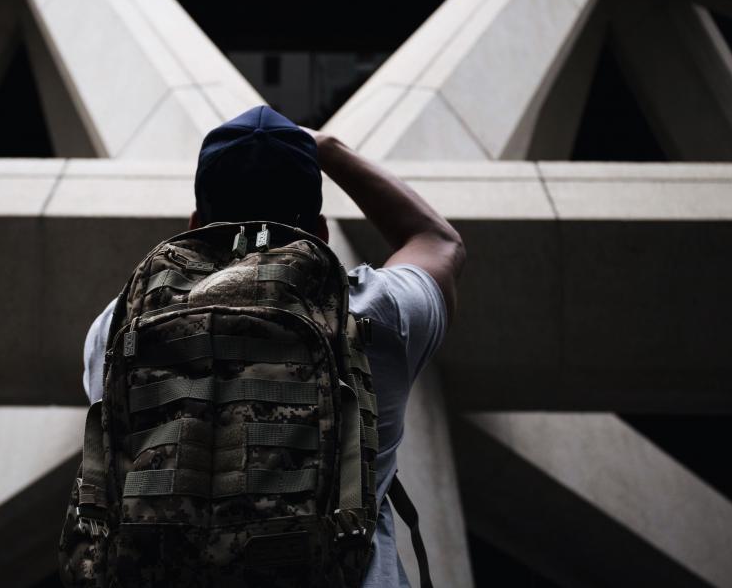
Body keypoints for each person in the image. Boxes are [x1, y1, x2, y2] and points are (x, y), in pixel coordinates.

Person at [81, 105, 465, 586]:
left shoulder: (117, 328)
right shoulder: (374, 313)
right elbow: (439, 242)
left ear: (195, 223)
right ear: (320, 232)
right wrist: (329, 149)